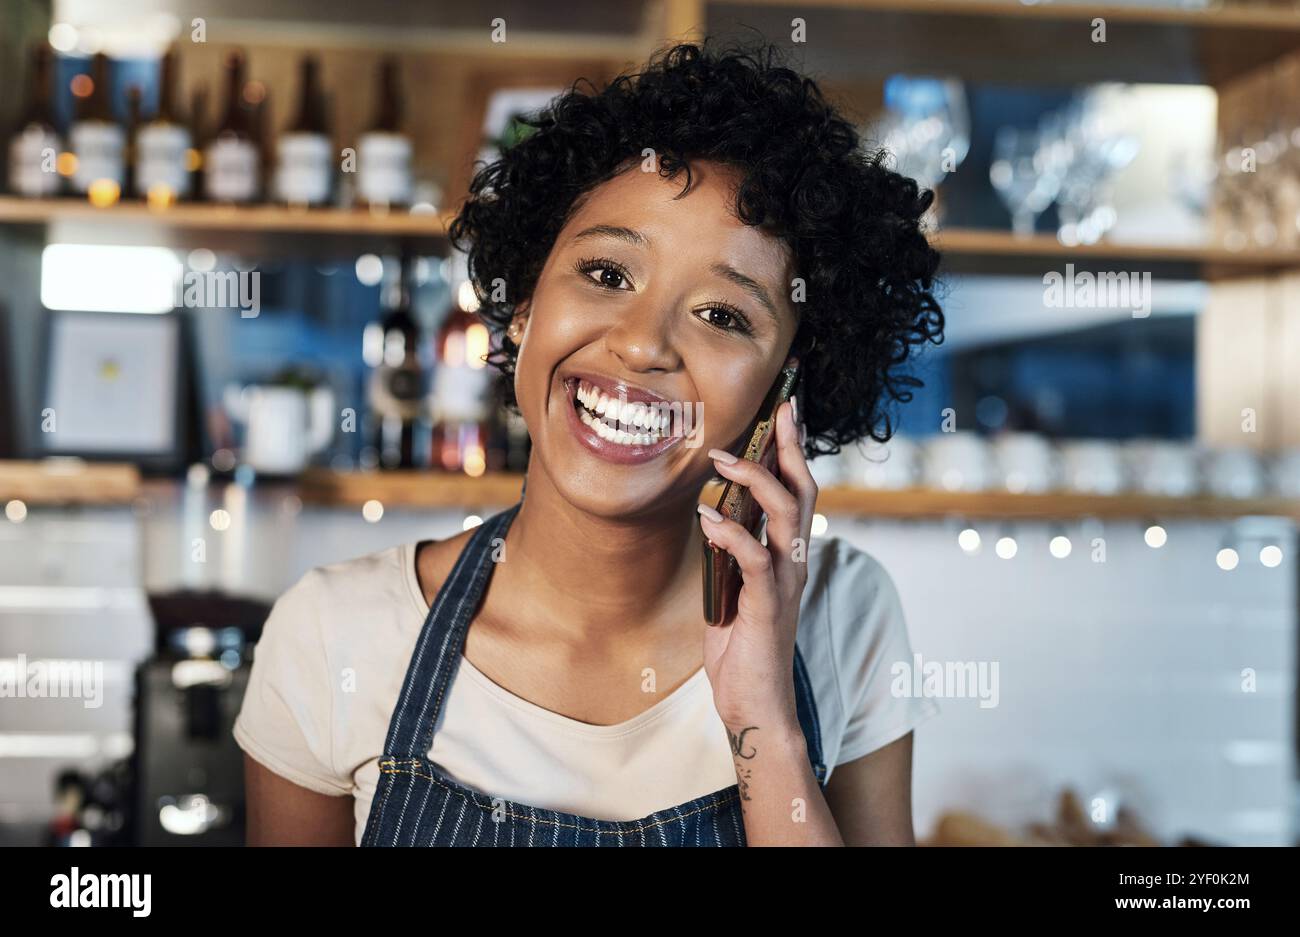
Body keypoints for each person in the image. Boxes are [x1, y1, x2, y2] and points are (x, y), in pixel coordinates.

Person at [235, 39, 944, 846]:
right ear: (525, 308)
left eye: (723, 314)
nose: (643, 344)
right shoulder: (335, 632)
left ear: (786, 388)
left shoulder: (843, 614)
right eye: (607, 273)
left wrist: (762, 720)